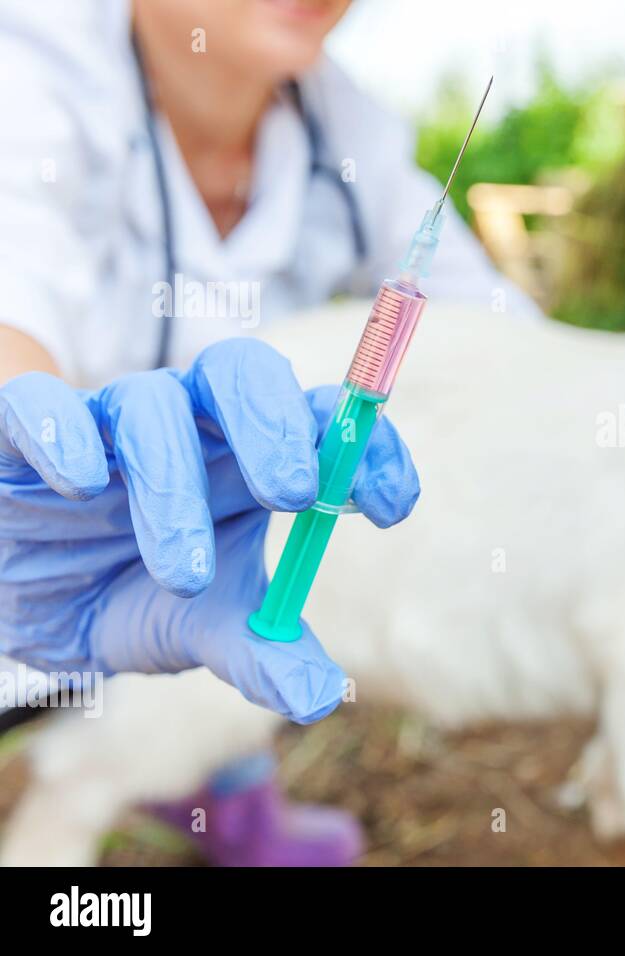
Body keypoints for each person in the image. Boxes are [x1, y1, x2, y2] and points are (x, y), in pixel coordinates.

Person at [0, 0, 540, 865]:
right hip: (44, 598)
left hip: (186, 616)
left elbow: (514, 347)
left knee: (241, 561)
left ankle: (222, 778)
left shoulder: (346, 127)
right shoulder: (34, 66)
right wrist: (25, 471)